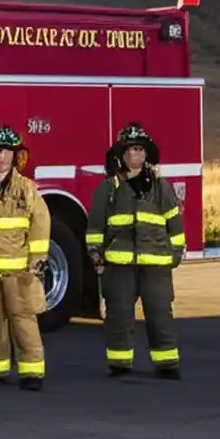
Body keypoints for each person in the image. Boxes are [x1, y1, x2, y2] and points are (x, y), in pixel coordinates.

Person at [86, 122, 185, 379]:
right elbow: (95, 227)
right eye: (129, 150)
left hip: (156, 264)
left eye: (139, 150)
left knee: (160, 312)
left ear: (146, 154)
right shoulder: (107, 189)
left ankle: (167, 364)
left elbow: (175, 225)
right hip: (119, 265)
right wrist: (97, 255)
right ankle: (120, 363)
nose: (134, 155)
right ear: (121, 155)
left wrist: (173, 256)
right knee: (118, 313)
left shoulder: (162, 187)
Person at [0, 126, 51, 391]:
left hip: (18, 267)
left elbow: (40, 223)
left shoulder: (27, 189)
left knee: (23, 318)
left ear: (15, 157)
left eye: (5, 152)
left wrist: (37, 260)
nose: (0, 157)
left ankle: (32, 371)